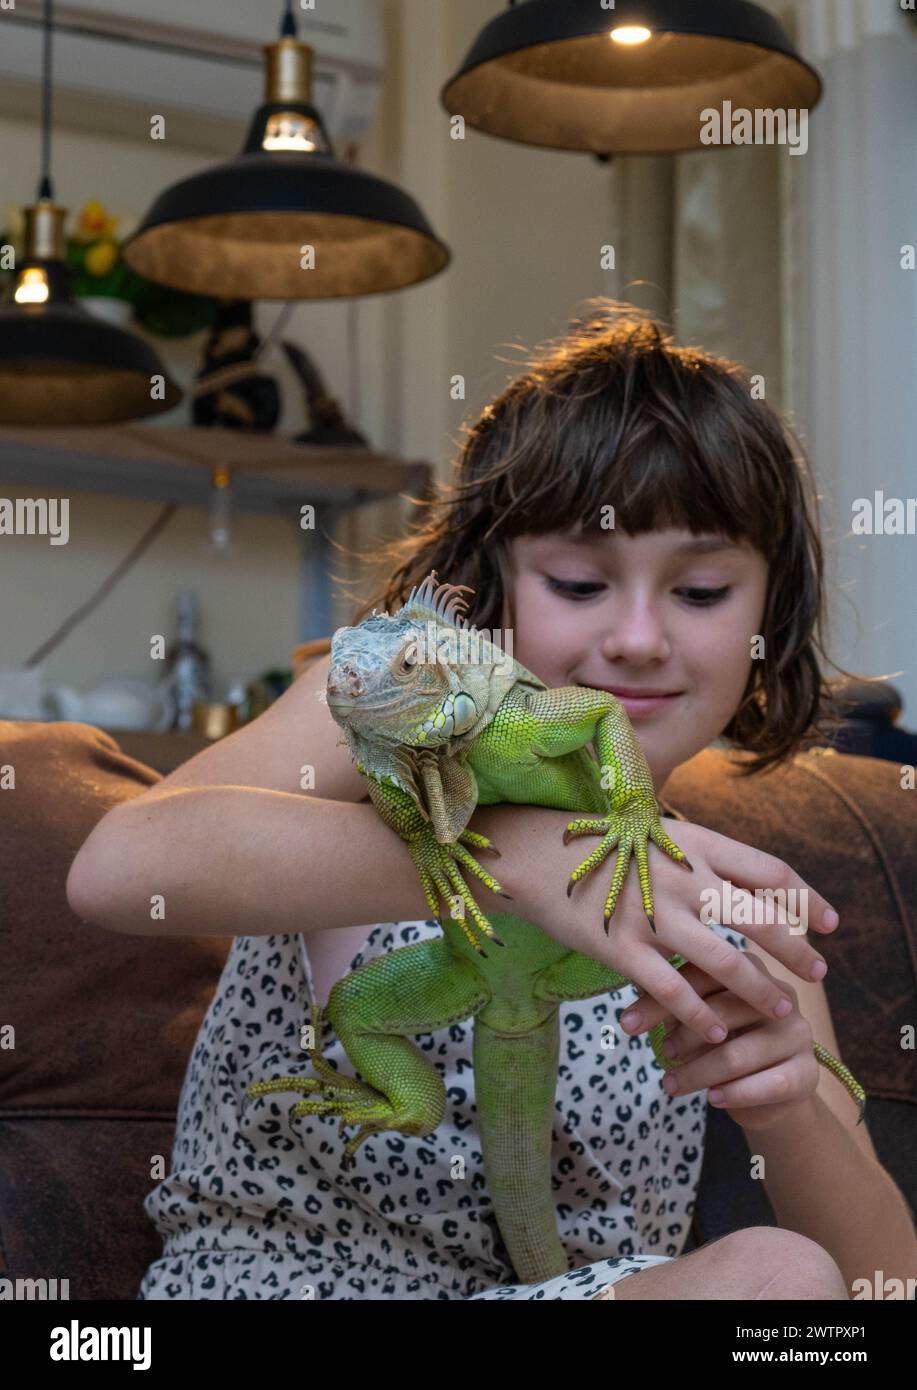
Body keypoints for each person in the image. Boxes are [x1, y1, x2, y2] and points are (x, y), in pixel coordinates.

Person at [67, 302, 917, 1301]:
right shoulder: (376, 711)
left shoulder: (715, 895)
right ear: (494, 588)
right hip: (285, 1287)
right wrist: (516, 862)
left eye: (698, 593)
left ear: (764, 621)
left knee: (779, 1276)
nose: (638, 637)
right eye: (575, 581)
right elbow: (116, 868)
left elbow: (879, 1296)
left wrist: (784, 1110)